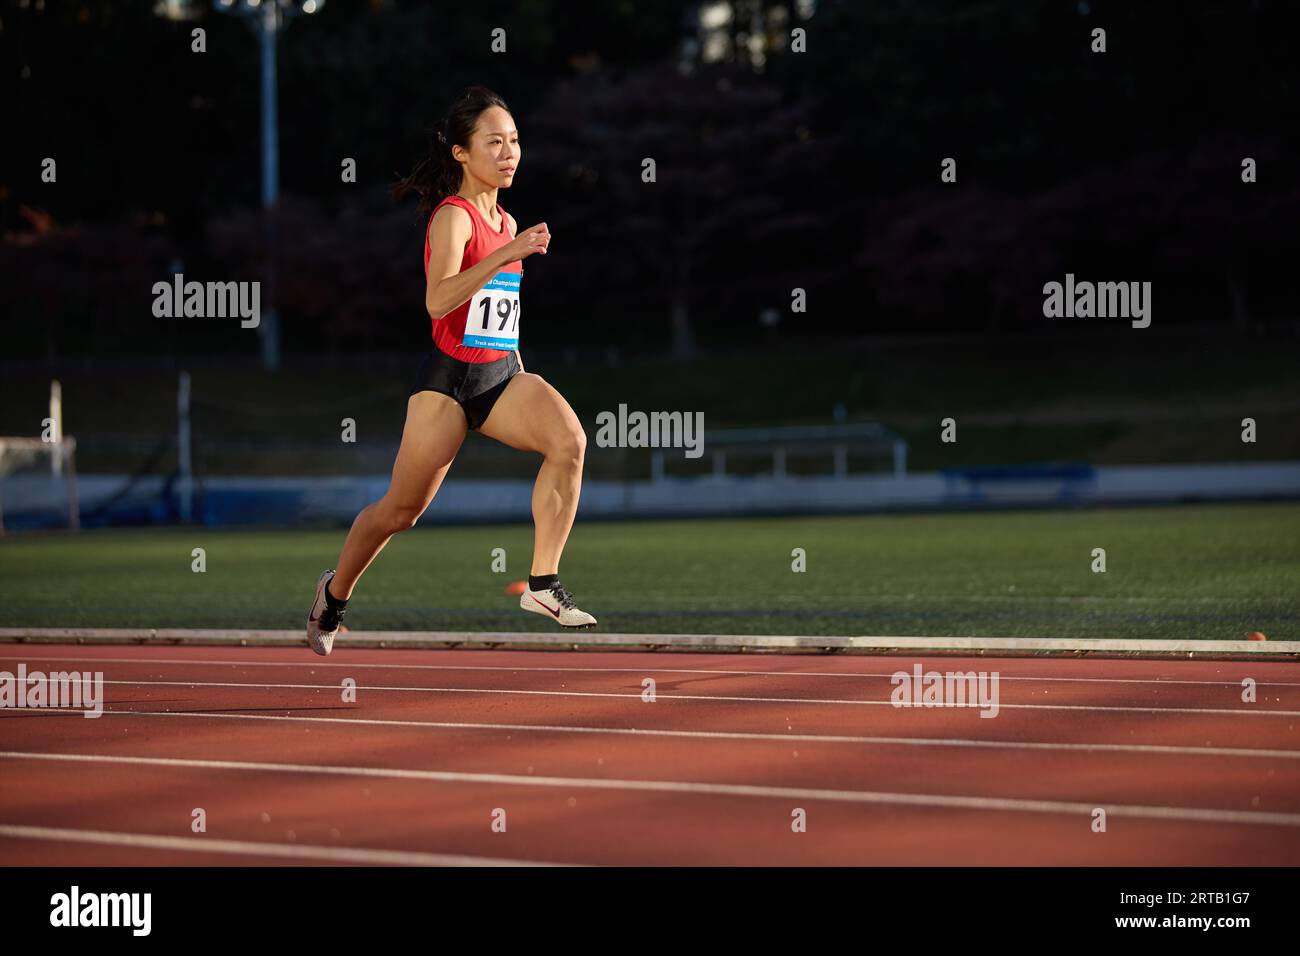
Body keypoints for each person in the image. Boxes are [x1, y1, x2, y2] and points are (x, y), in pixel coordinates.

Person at [306, 85, 596, 656]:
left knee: (570, 442)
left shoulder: (508, 219)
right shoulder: (453, 218)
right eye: (494, 142)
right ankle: (333, 595)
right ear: (461, 153)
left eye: (514, 141)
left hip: (501, 375)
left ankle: (542, 584)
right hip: (448, 384)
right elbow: (438, 303)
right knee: (400, 511)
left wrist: (507, 253)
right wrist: (503, 257)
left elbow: (494, 315)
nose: (510, 152)